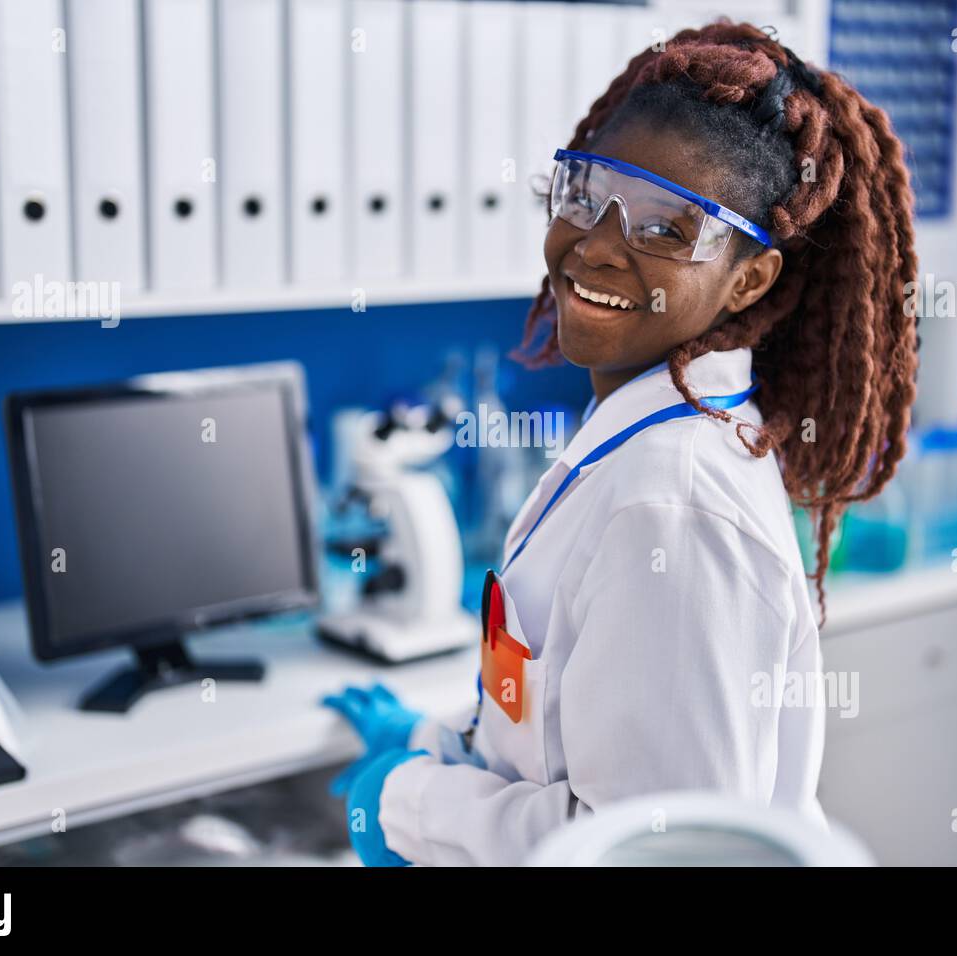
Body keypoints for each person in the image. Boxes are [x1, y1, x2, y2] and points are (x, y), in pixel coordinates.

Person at [323, 19, 918, 867]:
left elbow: (655, 853)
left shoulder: (670, 504)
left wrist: (405, 805)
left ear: (748, 277)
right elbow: (563, 723)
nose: (597, 247)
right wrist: (434, 743)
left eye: (667, 228)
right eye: (587, 192)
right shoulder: (636, 441)